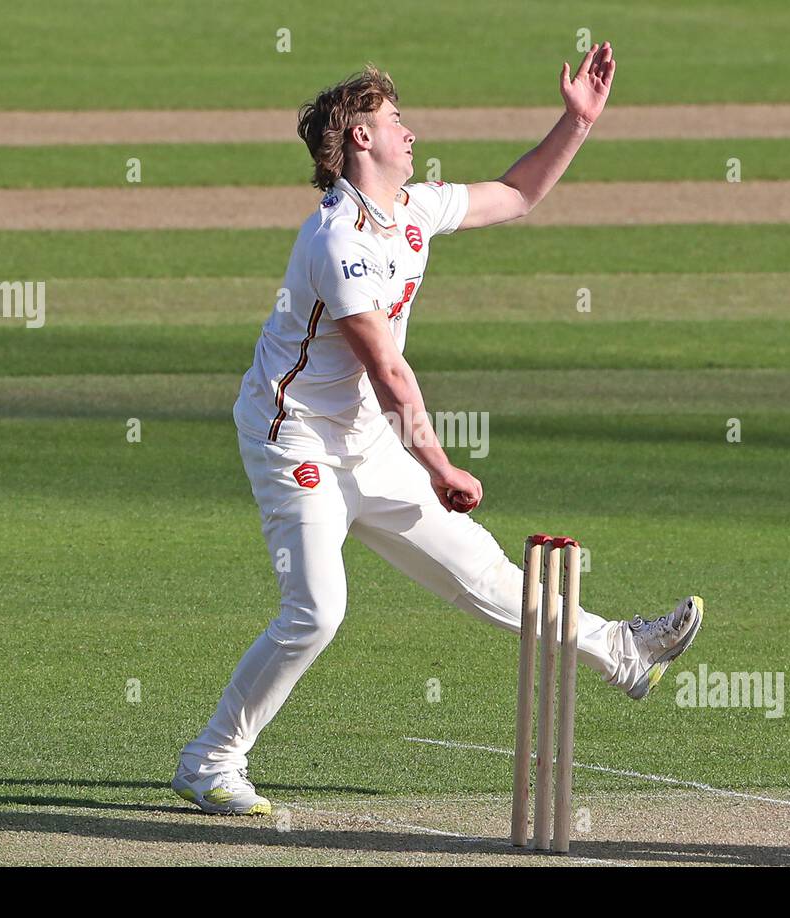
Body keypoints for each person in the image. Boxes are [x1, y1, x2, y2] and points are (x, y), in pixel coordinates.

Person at [173, 42, 704, 815]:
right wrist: (440, 466)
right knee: (317, 610)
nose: (411, 133)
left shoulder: (413, 209)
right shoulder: (337, 243)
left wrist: (576, 123)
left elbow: (518, 194)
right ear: (360, 137)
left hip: (364, 439)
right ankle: (210, 761)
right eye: (396, 120)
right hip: (295, 441)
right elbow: (389, 372)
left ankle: (619, 650)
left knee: (482, 571)